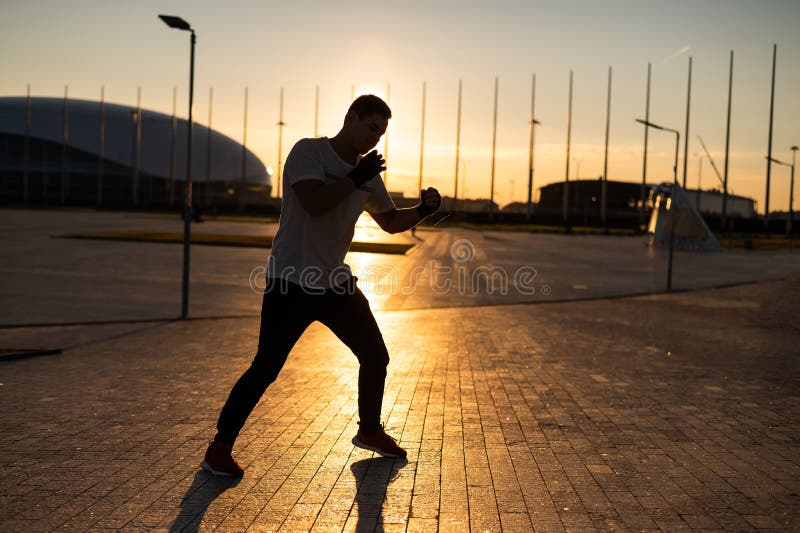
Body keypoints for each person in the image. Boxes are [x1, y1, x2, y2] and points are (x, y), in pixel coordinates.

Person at [201, 94, 441, 477]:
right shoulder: (309, 152)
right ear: (350, 117)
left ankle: (369, 430)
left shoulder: (365, 175)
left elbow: (391, 221)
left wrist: (425, 211)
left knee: (375, 356)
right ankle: (219, 448)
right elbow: (313, 202)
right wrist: (353, 179)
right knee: (266, 367)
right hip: (291, 281)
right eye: (370, 127)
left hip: (333, 283)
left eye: (380, 133)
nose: (374, 139)